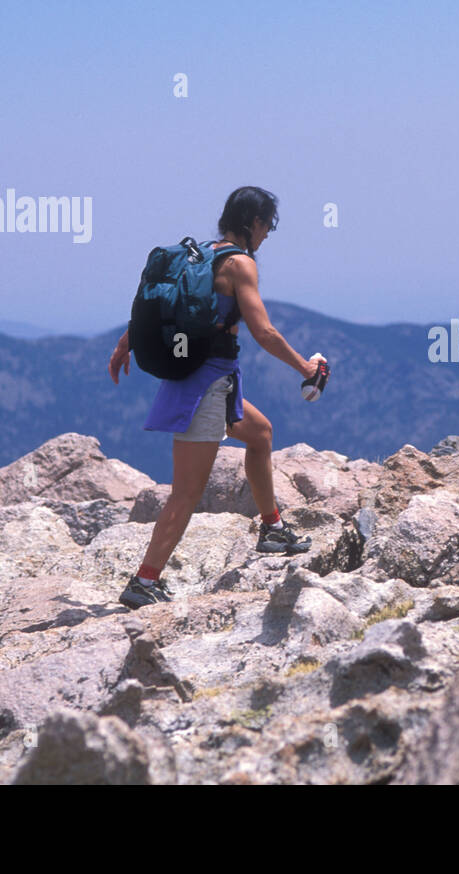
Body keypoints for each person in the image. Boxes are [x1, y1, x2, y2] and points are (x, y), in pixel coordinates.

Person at [107, 186, 327, 609]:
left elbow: (169, 307)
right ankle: (144, 580)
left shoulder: (202, 255)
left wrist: (126, 341)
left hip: (215, 381)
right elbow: (263, 331)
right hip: (203, 389)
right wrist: (305, 368)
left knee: (260, 434)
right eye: (268, 226)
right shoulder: (240, 264)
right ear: (255, 223)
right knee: (187, 492)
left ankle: (272, 528)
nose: (267, 236)